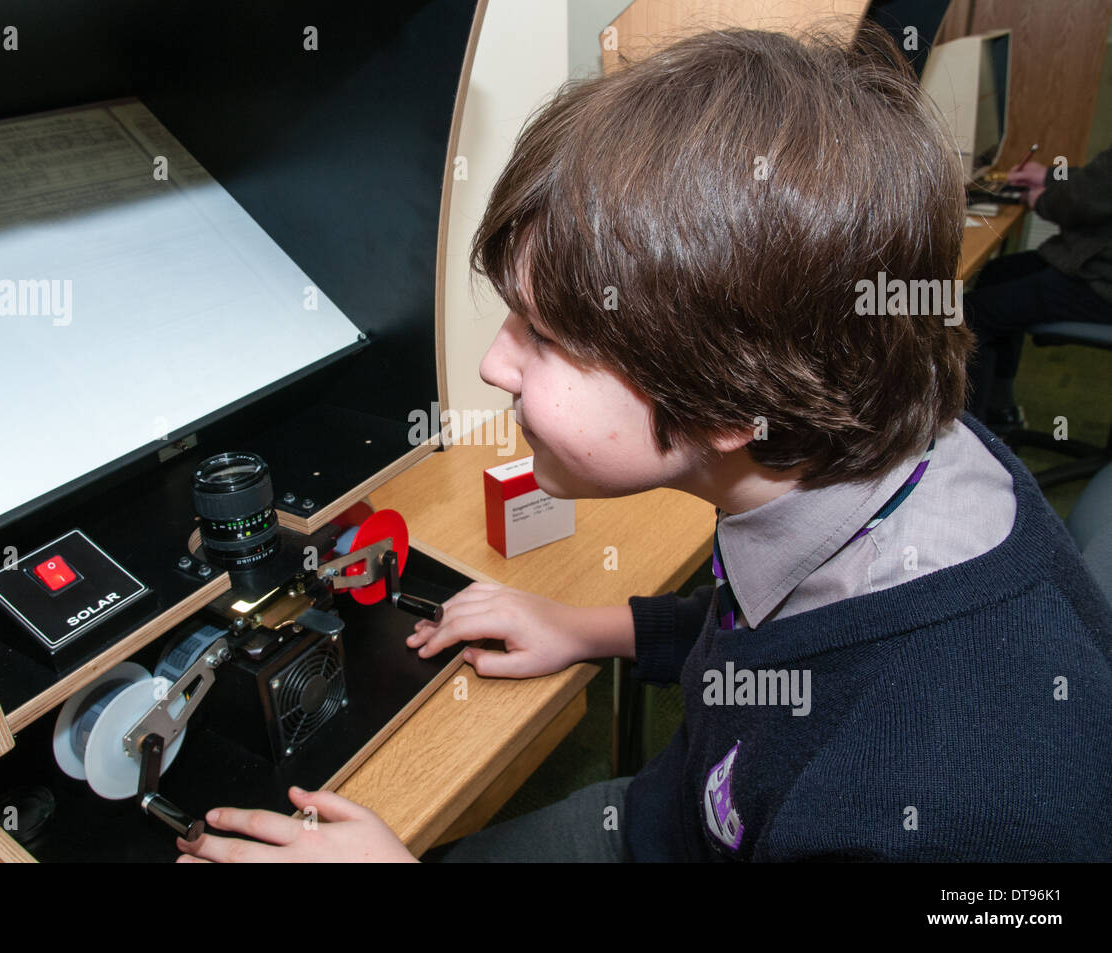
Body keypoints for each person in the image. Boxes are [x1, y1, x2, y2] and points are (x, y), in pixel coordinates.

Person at [174, 27, 1112, 863]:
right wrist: (595, 629)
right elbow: (776, 631)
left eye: (544, 337)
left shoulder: (955, 791)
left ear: (732, 402)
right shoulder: (864, 461)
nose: (499, 365)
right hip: (673, 816)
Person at [964, 146, 1112, 432]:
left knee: (972, 313)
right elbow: (1097, 179)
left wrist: (1044, 199)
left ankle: (977, 437)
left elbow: (1084, 198)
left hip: (1100, 281)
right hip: (1096, 266)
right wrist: (1049, 175)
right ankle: (999, 406)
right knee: (997, 274)